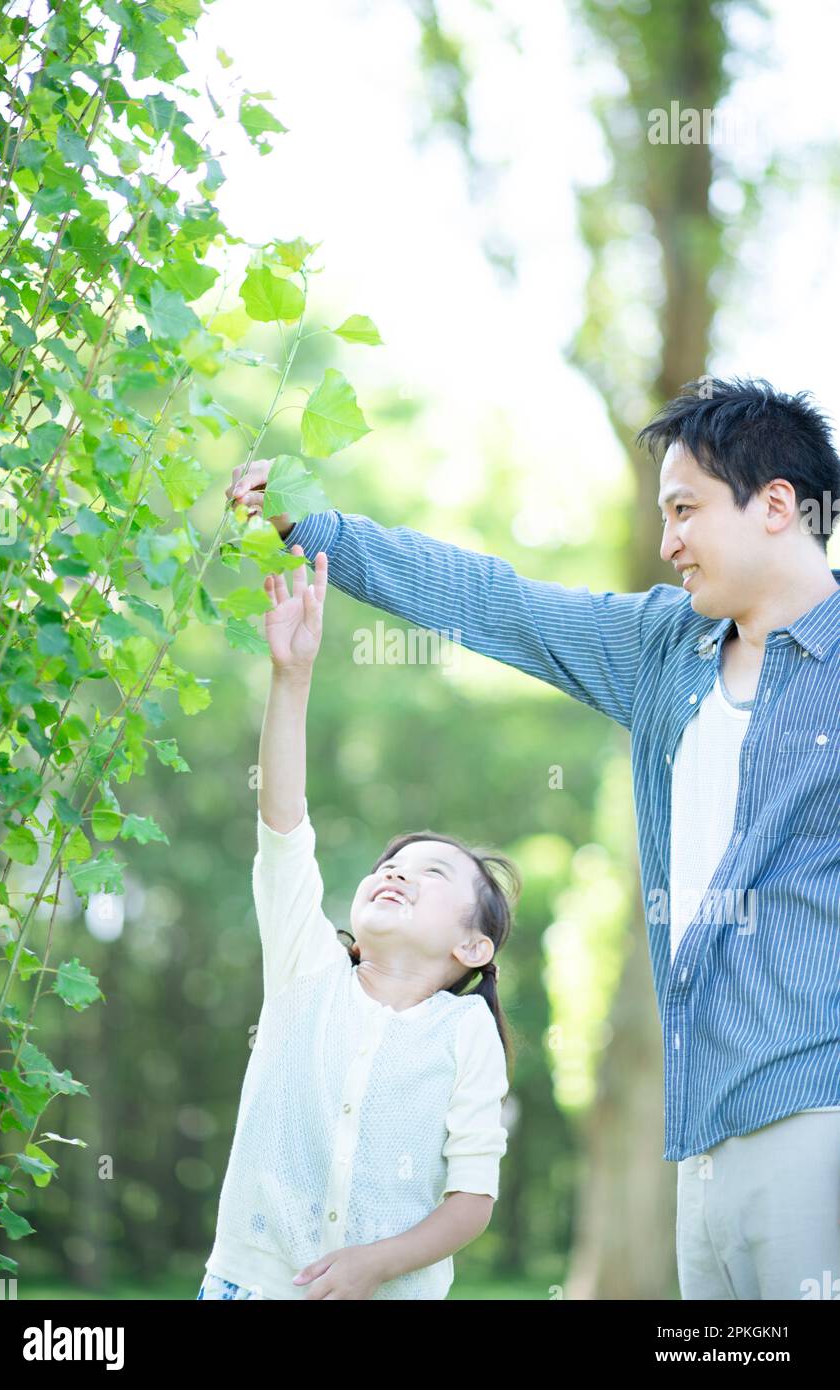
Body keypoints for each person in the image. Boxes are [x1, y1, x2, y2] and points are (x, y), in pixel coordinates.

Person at [226, 375, 840, 1301]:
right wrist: (316, 528)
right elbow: (493, 602)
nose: (667, 540)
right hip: (699, 1129)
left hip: (815, 1105)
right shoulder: (662, 650)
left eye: (685, 510)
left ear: (777, 507)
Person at [198, 546, 522, 1301]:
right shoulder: (305, 969)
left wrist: (377, 1264)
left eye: (432, 872)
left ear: (471, 945)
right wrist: (291, 676)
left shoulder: (464, 1033)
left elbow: (471, 1201)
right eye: (390, 866)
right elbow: (282, 823)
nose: (397, 872)